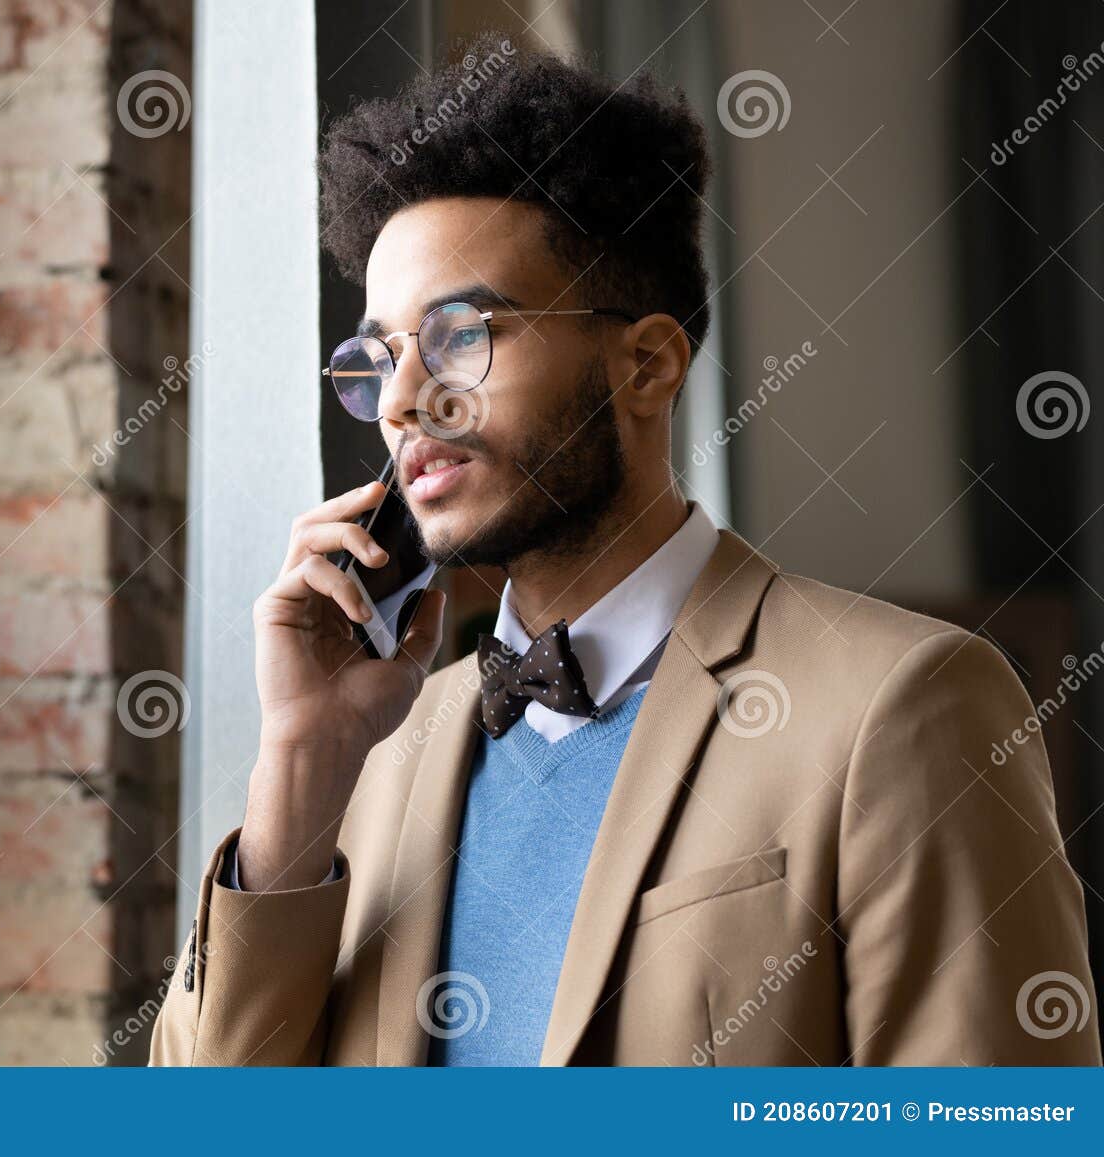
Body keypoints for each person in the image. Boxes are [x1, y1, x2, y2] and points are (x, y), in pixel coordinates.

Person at [150, 36, 1099, 1066]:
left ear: (645, 363)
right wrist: (299, 755)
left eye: (462, 334)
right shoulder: (372, 753)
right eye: (377, 355)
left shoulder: (905, 704)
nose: (399, 400)